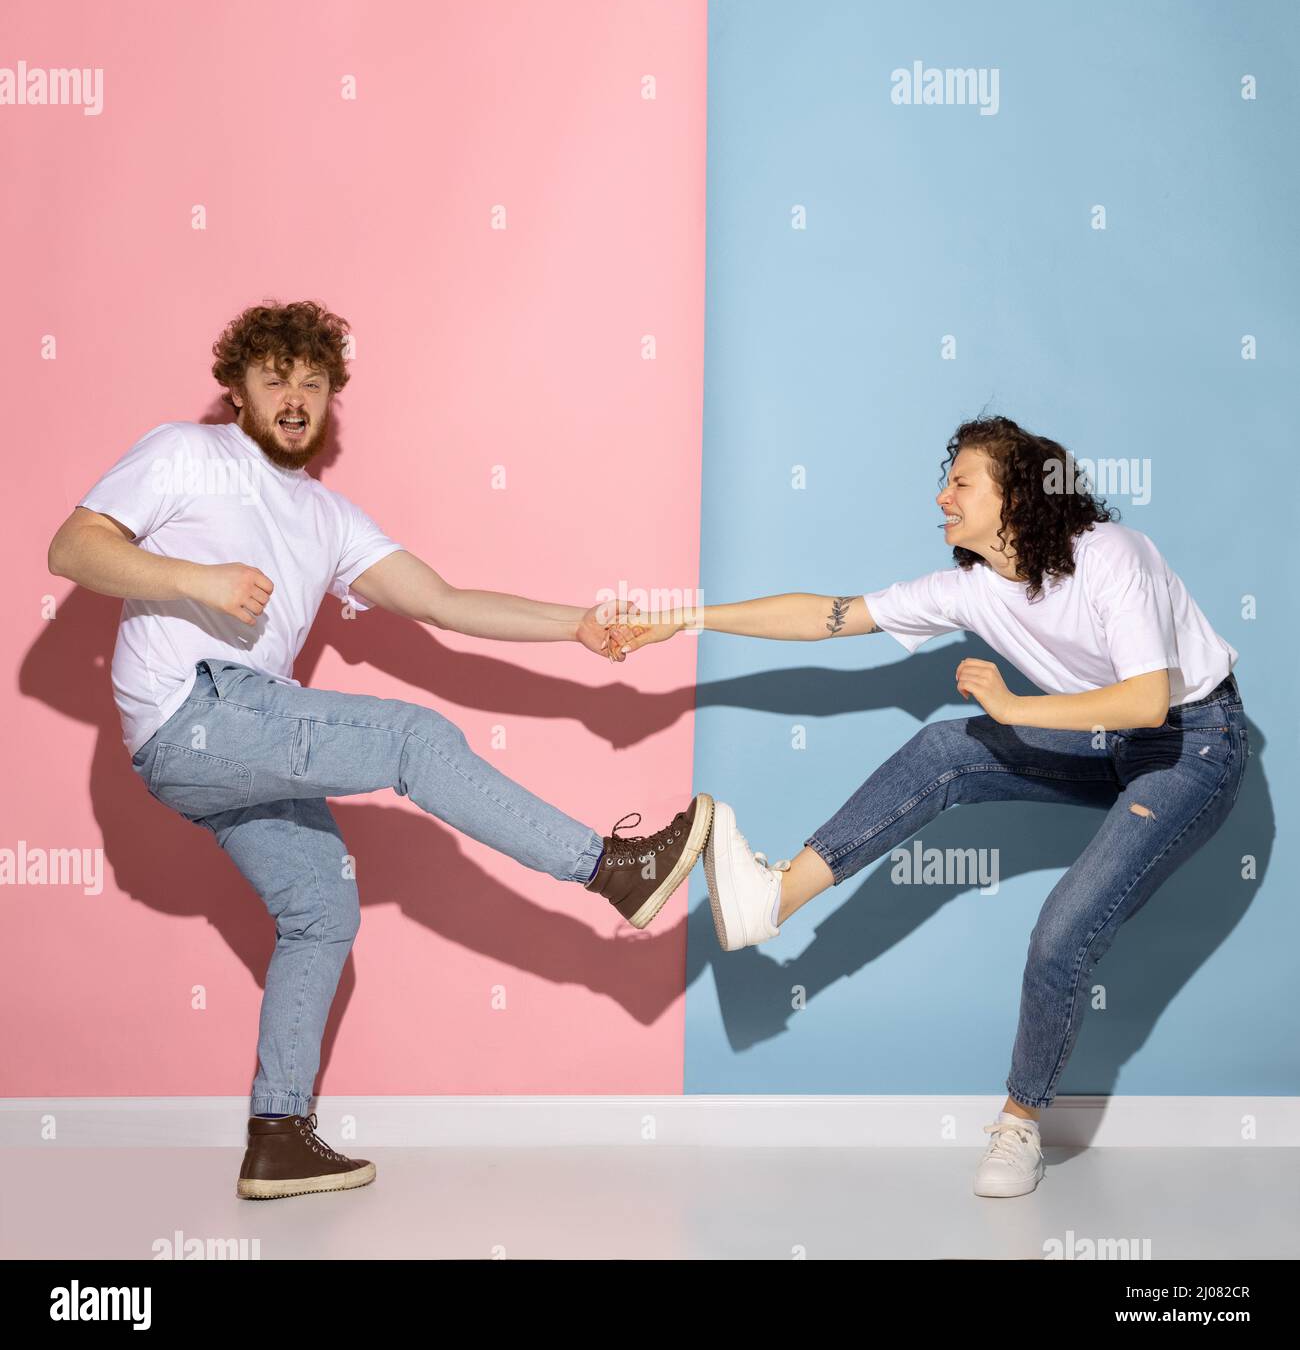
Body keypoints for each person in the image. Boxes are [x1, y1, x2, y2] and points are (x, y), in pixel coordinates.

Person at [47, 299, 713, 1201]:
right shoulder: (186, 453)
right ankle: (613, 870)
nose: (294, 396)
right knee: (410, 737)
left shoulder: (329, 515)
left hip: (236, 744)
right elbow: (73, 546)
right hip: (195, 712)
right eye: (275, 377)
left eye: (313, 382)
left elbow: (443, 602)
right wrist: (192, 579)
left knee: (322, 911)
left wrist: (580, 628)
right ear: (237, 391)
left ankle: (278, 1136)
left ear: (329, 400)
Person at [611, 415, 1247, 1198]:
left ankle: (1020, 1124)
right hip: (1110, 742)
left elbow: (1150, 701)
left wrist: (1013, 710)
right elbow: (826, 615)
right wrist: (681, 619)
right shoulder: (969, 591)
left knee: (1060, 933)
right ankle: (774, 897)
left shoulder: (1110, 556)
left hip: (1194, 746)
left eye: (961, 482)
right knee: (946, 750)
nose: (940, 496)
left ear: (1015, 495)